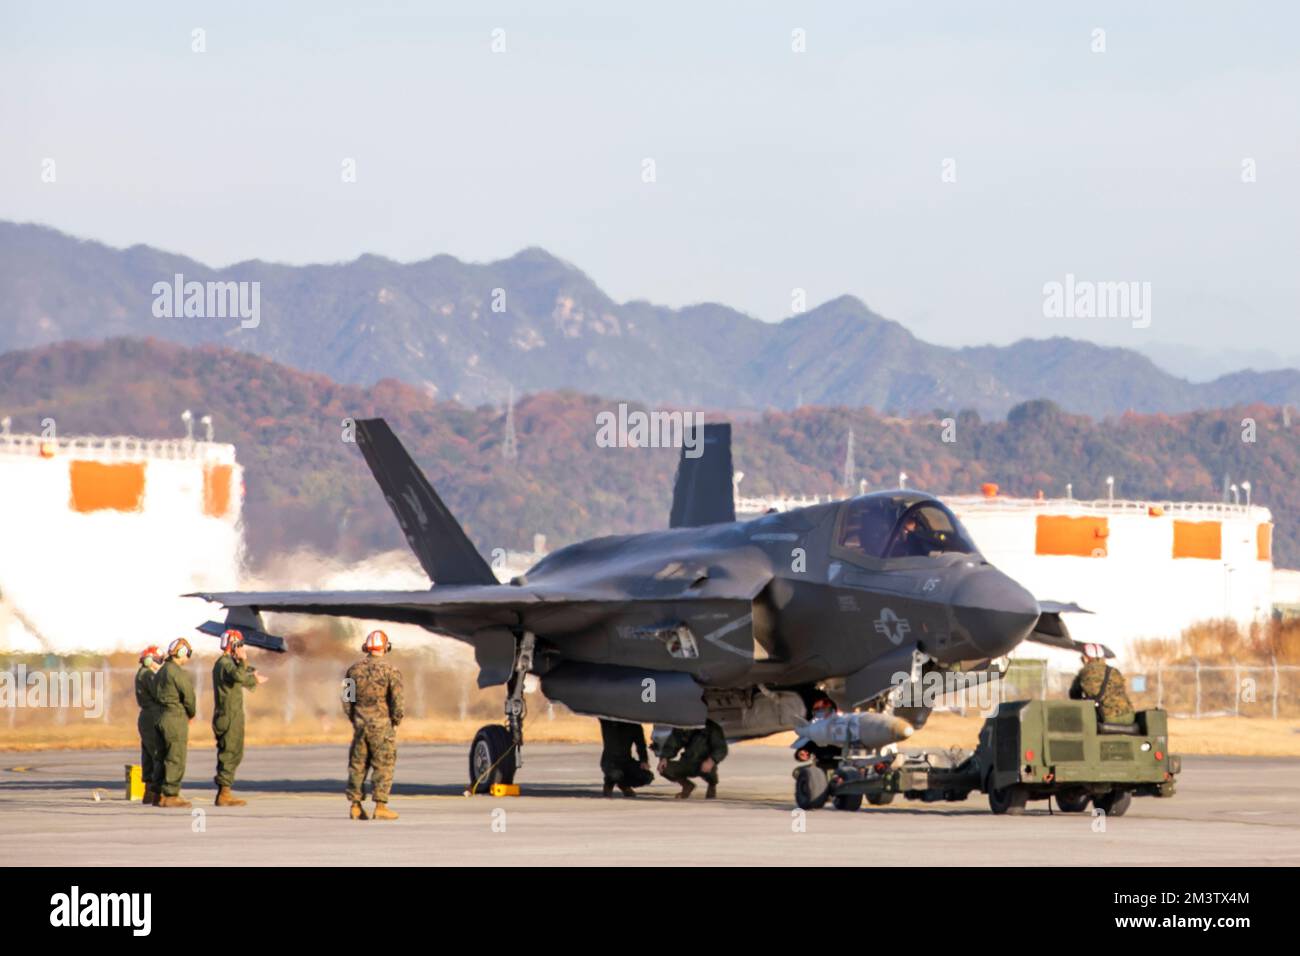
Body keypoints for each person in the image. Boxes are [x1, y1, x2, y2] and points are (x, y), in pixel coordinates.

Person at [344, 629, 404, 821]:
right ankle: (380, 806)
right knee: (383, 764)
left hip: (360, 724)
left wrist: (355, 719)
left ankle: (355, 806)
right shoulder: (391, 671)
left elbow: (346, 699)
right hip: (382, 724)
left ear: (366, 647)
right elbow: (397, 701)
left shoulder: (353, 670)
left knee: (358, 764)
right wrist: (395, 721)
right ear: (386, 647)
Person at [211, 628, 268, 807]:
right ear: (233, 645)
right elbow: (237, 675)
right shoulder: (225, 663)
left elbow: (239, 679)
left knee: (235, 752)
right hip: (228, 716)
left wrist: (254, 679)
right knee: (229, 753)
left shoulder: (227, 664)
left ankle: (226, 791)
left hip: (232, 715)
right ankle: (223, 794)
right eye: (240, 645)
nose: (242, 648)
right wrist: (243, 660)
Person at [152, 638, 197, 808]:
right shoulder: (176, 672)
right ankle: (170, 795)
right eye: (188, 654)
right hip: (174, 717)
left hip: (159, 716)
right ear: (182, 653)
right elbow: (189, 696)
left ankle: (157, 794)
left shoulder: (162, 670)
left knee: (160, 756)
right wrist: (191, 713)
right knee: (175, 756)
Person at [657, 719, 728, 799]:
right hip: (688, 762)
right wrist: (664, 757)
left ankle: (712, 786)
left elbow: (721, 749)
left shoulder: (712, 728)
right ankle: (687, 785)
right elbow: (673, 743)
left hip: (704, 764)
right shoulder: (684, 726)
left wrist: (711, 760)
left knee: (711, 771)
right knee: (663, 768)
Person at [1069, 644, 1136, 724]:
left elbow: (1074, 695)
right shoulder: (1114, 671)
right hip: (1129, 717)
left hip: (1107, 718)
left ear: (1085, 657)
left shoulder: (1084, 672)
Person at [134, 646, 163, 806]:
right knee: (157, 753)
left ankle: (149, 791)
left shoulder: (142, 674)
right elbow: (159, 693)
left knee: (148, 754)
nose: (160, 663)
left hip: (146, 716)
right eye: (158, 659)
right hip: (152, 715)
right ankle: (157, 791)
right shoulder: (148, 675)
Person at [598, 719, 652, 797]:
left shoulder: (634, 725)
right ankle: (609, 783)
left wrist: (644, 760)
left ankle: (623, 785)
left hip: (626, 762)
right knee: (615, 774)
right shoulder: (608, 721)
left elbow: (641, 745)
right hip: (609, 762)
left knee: (646, 776)